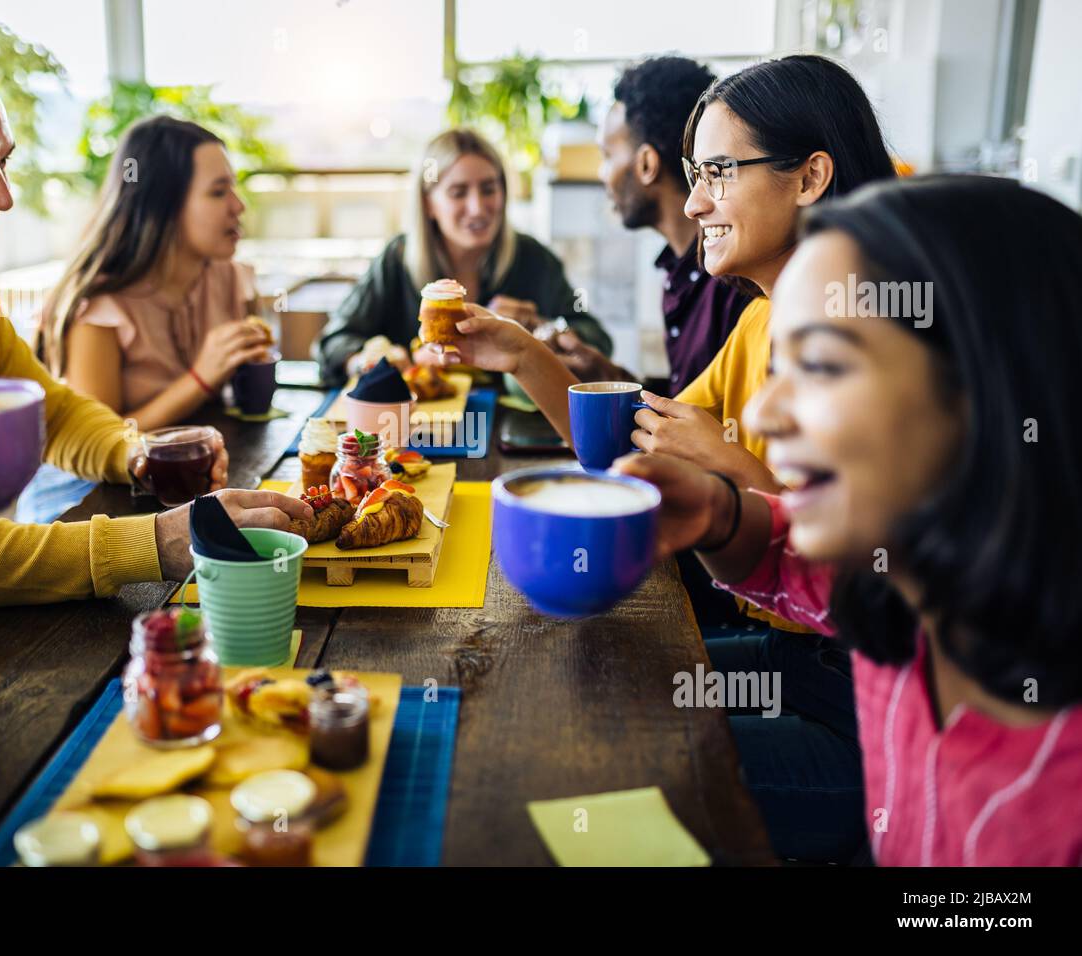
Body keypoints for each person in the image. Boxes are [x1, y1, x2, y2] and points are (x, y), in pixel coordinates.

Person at [435, 54, 898, 861]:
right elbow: (629, 438)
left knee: (608, 766)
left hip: (865, 712)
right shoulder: (762, 321)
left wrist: (723, 462)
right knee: (577, 700)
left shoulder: (877, 340)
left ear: (810, 176)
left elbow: (873, 579)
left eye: (718, 170)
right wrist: (518, 354)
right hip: (793, 652)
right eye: (692, 173)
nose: (693, 201)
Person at [614, 175, 1082, 865]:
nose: (768, 416)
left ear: (991, 396)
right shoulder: (910, 584)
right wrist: (716, 514)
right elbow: (792, 560)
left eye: (824, 366)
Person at [0, 23, 309, 658]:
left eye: (2, 162)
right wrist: (154, 541)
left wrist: (135, 453)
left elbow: (54, 413)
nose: (3, 195)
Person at [23, 116, 271, 521]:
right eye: (218, 191)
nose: (238, 206)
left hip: (178, 482)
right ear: (165, 206)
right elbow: (96, 441)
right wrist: (200, 378)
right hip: (82, 500)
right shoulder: (98, 304)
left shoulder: (228, 277)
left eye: (235, 187)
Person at [315, 127, 613, 385]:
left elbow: (597, 340)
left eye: (488, 189)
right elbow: (333, 341)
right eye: (458, 192)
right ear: (428, 203)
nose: (477, 207)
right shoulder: (397, 259)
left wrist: (538, 328)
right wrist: (368, 363)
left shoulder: (534, 259)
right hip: (416, 427)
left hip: (508, 431)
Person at [554, 56, 750, 394]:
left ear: (647, 163)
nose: (603, 175)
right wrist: (610, 374)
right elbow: (690, 408)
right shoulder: (678, 271)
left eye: (607, 155)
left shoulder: (735, 282)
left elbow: (708, 432)